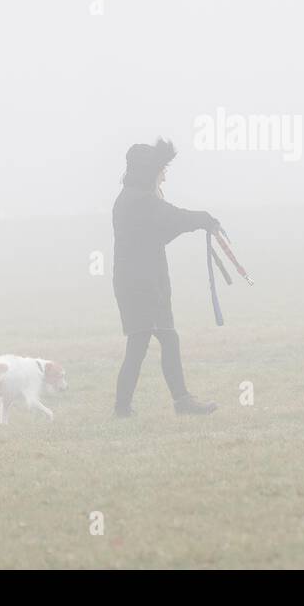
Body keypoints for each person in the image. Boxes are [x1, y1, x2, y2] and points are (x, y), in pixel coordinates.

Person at [111, 138, 220, 418]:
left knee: (147, 342)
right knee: (152, 341)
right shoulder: (139, 201)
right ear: (150, 171)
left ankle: (127, 407)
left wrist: (197, 224)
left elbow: (162, 230)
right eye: (161, 169)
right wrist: (203, 219)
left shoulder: (133, 200)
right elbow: (171, 218)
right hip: (142, 286)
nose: (165, 175)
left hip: (143, 283)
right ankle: (172, 402)